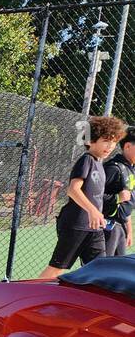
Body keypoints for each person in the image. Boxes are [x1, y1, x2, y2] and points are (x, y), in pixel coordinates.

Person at [39, 114, 128, 280]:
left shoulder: (100, 165)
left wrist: (102, 211)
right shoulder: (86, 160)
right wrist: (93, 211)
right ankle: (29, 296)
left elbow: (97, 196)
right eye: (106, 140)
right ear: (91, 141)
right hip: (76, 225)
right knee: (56, 269)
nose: (110, 146)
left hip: (94, 229)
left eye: (114, 141)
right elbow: (73, 189)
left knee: (101, 270)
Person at [101, 130, 135, 256]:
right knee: (102, 267)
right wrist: (117, 197)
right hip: (107, 227)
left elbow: (127, 204)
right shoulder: (113, 168)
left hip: (120, 227)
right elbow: (93, 197)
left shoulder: (131, 169)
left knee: (117, 268)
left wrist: (129, 230)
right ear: (127, 146)